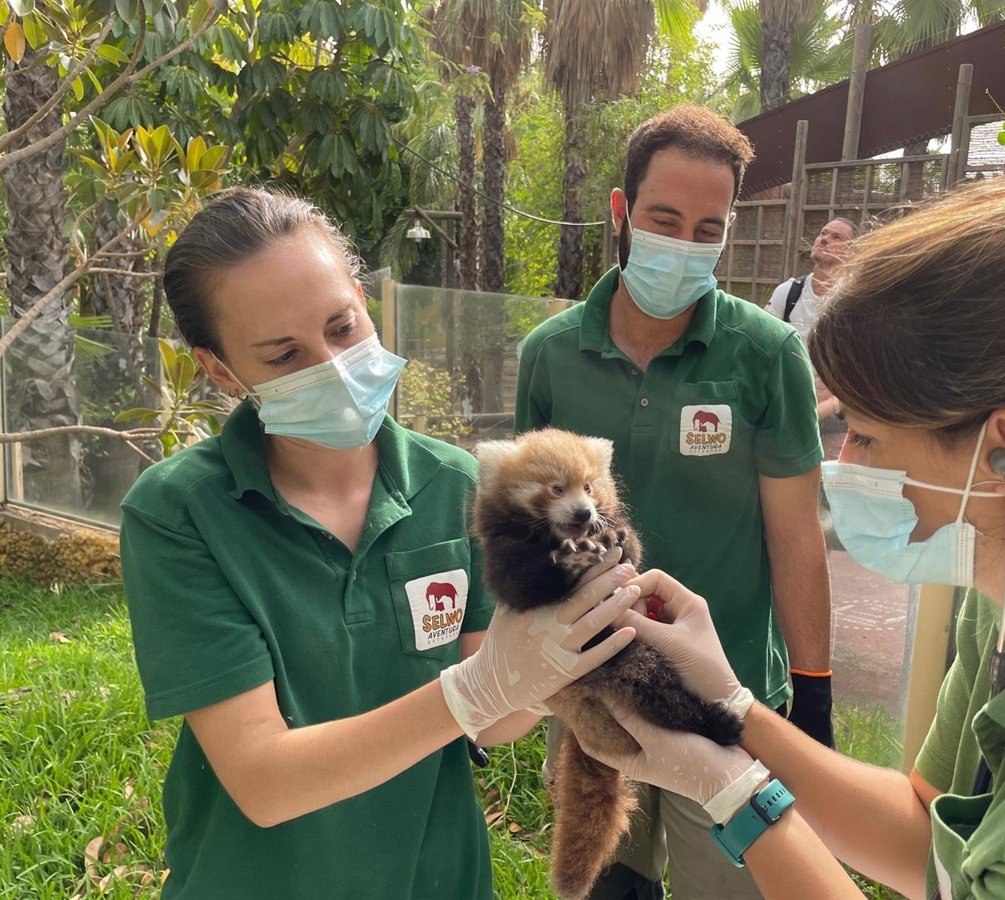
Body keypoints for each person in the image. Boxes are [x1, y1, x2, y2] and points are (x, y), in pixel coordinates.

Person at [581, 180, 1005, 899]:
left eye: (867, 438)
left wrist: (729, 792)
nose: (843, 470)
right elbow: (922, 835)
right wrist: (734, 710)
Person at [118, 187, 641, 899]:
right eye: (283, 355)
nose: (331, 366)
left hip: (434, 878)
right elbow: (263, 781)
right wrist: (472, 692)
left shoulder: (461, 486)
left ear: (363, 300)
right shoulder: (181, 512)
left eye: (342, 326)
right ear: (218, 369)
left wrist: (565, 651)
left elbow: (499, 720)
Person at [515, 105, 833, 900]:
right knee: (601, 879)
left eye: (708, 228)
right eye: (665, 220)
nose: (685, 244)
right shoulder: (549, 357)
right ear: (621, 213)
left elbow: (796, 538)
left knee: (722, 884)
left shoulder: (767, 355)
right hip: (595, 680)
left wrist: (814, 692)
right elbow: (525, 528)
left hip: (721, 693)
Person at [765, 217, 856, 420]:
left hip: (835, 415)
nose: (824, 239)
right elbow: (762, 349)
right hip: (784, 400)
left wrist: (820, 410)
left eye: (836, 237)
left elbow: (862, 374)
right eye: (823, 233)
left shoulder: (855, 303)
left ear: (851, 254)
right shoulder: (788, 292)